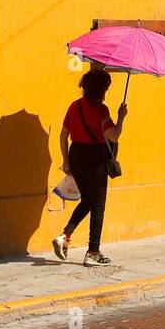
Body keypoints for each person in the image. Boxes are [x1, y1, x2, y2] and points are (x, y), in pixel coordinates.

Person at [53, 69, 127, 266]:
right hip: (95, 159)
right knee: (98, 205)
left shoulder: (74, 106)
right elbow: (114, 136)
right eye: (104, 90)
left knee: (87, 200)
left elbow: (62, 136)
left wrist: (66, 161)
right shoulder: (102, 111)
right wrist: (121, 117)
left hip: (76, 155)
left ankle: (64, 237)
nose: (105, 94)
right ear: (99, 90)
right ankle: (93, 251)